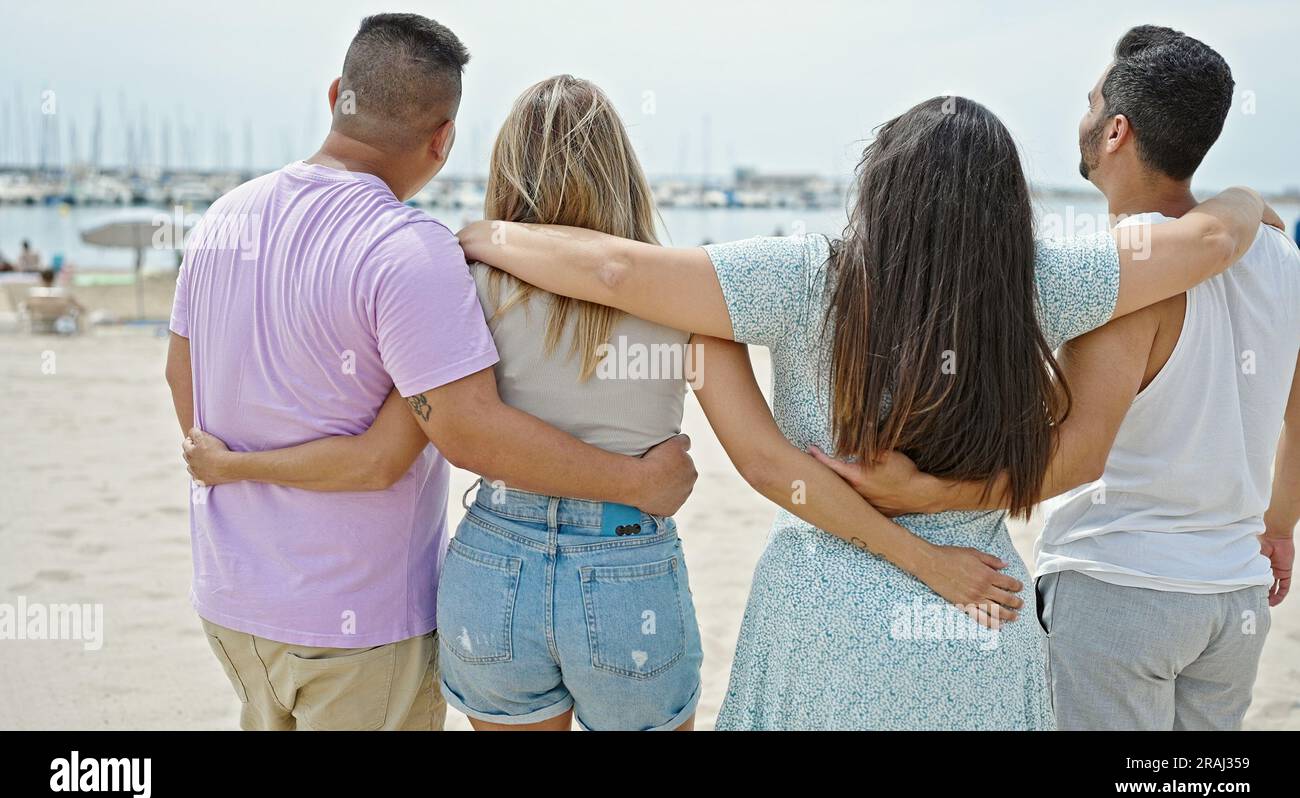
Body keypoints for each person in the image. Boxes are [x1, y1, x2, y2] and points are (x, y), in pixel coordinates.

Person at [184, 74, 993, 731]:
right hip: (625, 567)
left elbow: (418, 432)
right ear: (622, 168)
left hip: (491, 561)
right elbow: (765, 463)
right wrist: (921, 550)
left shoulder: (457, 280)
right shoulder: (685, 297)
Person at [454, 96, 1273, 728]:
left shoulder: (804, 276)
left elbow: (613, 270)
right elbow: (1204, 245)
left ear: (878, 183)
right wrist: (1241, 197)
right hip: (982, 617)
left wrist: (485, 232)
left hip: (817, 620)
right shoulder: (1042, 278)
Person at [165, 15, 695, 732]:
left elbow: (181, 377)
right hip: (355, 618)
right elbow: (448, 438)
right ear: (442, 137)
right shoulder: (406, 249)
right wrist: (637, 482)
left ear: (336, 96)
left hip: (232, 601)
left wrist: (235, 469)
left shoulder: (224, 218)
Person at [812, 26, 1297, 732]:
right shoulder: (1281, 257)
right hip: (1234, 603)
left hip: (1120, 590)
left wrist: (930, 492)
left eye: (1090, 101)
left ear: (1115, 132)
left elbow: (1074, 457)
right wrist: (1278, 523)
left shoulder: (1121, 276)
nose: (1084, 116)